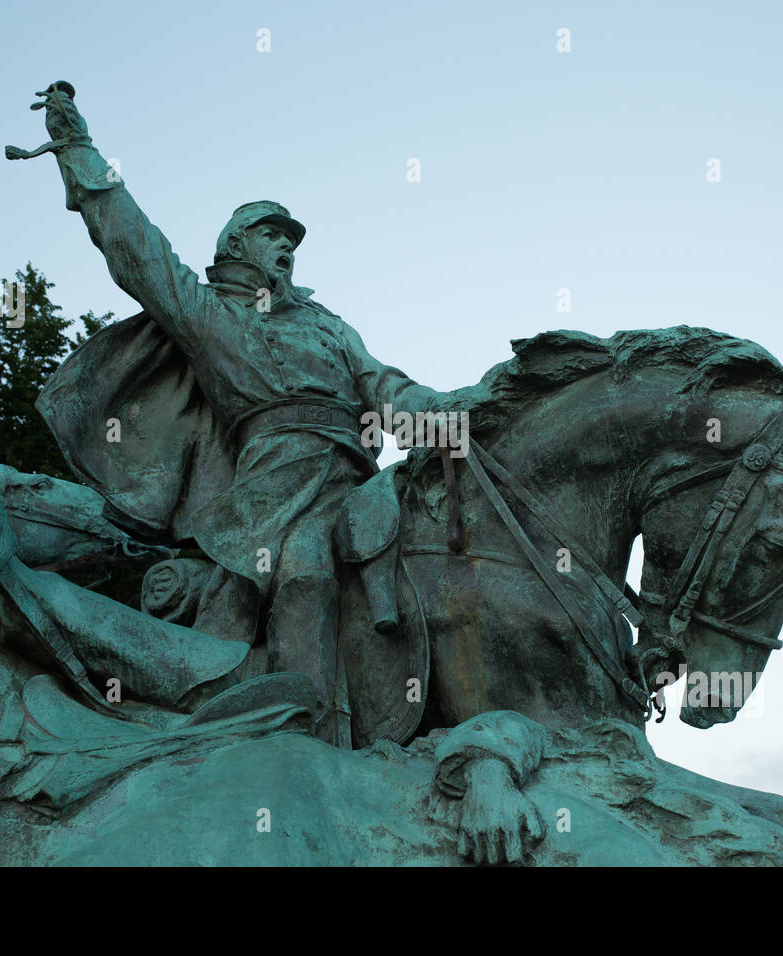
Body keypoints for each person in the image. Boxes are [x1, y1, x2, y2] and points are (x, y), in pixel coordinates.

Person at [25, 83, 474, 746]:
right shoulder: (213, 316)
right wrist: (80, 153)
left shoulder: (329, 327)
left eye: (290, 239)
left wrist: (459, 416)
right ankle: (303, 732)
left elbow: (388, 390)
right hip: (274, 486)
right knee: (305, 573)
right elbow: (138, 252)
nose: (286, 246)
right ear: (236, 247)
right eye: (272, 235)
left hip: (360, 476)